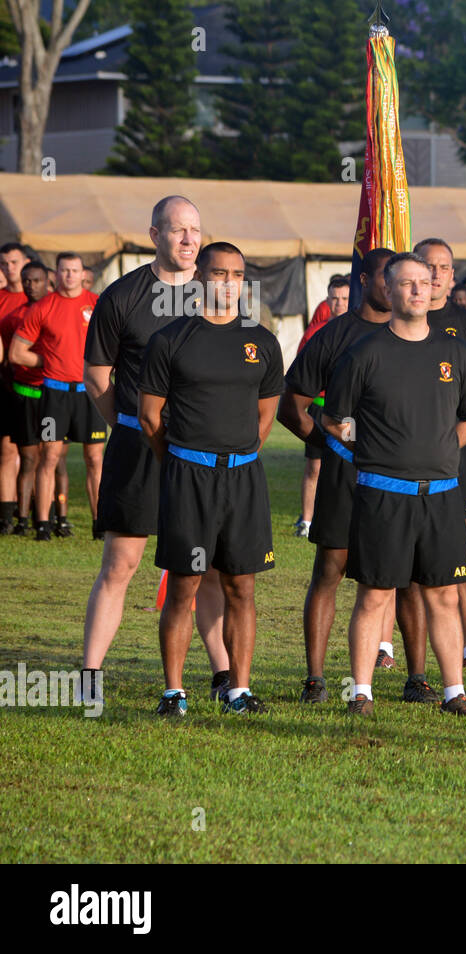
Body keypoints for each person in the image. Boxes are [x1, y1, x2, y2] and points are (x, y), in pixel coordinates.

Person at [81, 197, 234, 705]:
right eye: (177, 231)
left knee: (207, 565)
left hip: (199, 454)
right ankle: (90, 675)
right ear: (154, 235)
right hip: (137, 448)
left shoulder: (216, 295)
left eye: (195, 229)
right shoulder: (121, 297)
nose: (189, 240)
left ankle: (223, 674)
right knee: (120, 563)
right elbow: (97, 377)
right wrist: (132, 428)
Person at [322, 253, 466, 717]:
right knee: (374, 594)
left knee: (443, 595)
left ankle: (454, 692)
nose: (419, 289)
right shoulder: (365, 352)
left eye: (425, 281)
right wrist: (372, 446)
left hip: (440, 496)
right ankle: (361, 693)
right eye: (407, 283)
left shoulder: (455, 351)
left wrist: (440, 447)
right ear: (388, 292)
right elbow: (333, 420)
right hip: (382, 495)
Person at [280, 248, 435, 703]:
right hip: (347, 476)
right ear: (367, 279)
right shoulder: (336, 334)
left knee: (409, 577)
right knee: (331, 568)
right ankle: (315, 678)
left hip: (403, 480)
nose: (398, 288)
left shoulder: (425, 336)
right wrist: (329, 441)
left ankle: (417, 678)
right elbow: (294, 402)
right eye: (389, 279)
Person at [138, 242, 283, 716]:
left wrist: (235, 459)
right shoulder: (171, 339)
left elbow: (265, 417)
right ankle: (173, 692)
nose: (227, 282)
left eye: (237, 275)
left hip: (242, 480)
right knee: (185, 585)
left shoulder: (260, 340)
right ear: (199, 277)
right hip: (188, 478)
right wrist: (181, 462)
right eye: (218, 273)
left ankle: (239, 690)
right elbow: (149, 417)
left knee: (242, 586)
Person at [415, 237, 466, 674]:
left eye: (443, 267)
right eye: (427, 265)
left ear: (451, 275)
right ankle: (390, 647)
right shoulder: (396, 322)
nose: (434, 274)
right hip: (404, 459)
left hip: (459, 454)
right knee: (403, 555)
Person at [9, 253, 108, 540]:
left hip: (90, 392)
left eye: (74, 271)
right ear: (56, 274)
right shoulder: (44, 306)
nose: (69, 276)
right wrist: (47, 361)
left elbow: (117, 342)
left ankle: (99, 523)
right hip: (55, 393)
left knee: (95, 458)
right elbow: (17, 352)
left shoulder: (97, 303)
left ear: (82, 274)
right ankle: (42, 525)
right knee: (49, 456)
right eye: (64, 270)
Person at [292, 275, 352, 538]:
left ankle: (349, 518)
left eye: (345, 299)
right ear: (327, 300)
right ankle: (306, 521)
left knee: (351, 464)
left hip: (351, 413)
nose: (339, 304)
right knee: (315, 465)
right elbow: (299, 376)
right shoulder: (315, 332)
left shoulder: (362, 331)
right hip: (319, 406)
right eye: (334, 298)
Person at [0, 261, 50, 536]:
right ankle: (20, 519)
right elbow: (9, 357)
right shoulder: (14, 317)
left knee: (54, 458)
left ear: (47, 281)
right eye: (26, 280)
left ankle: (51, 518)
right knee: (28, 457)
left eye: (37, 280)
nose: (31, 285)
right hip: (25, 393)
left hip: (55, 394)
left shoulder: (54, 309)